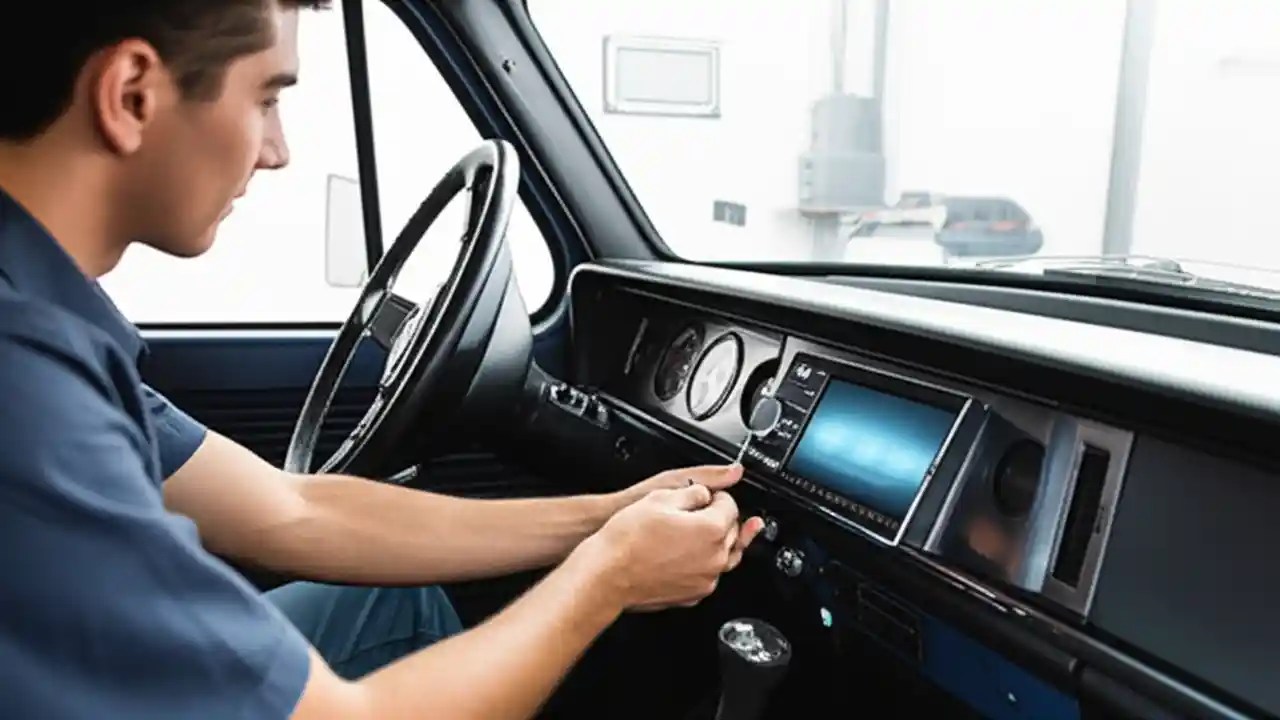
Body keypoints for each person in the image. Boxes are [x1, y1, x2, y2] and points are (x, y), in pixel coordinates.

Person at [0, 2, 763, 718]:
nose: (277, 151)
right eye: (266, 98)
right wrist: (611, 575)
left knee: (388, 604)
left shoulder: (44, 320)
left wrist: (605, 517)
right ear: (131, 95)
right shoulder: (26, 395)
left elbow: (291, 509)